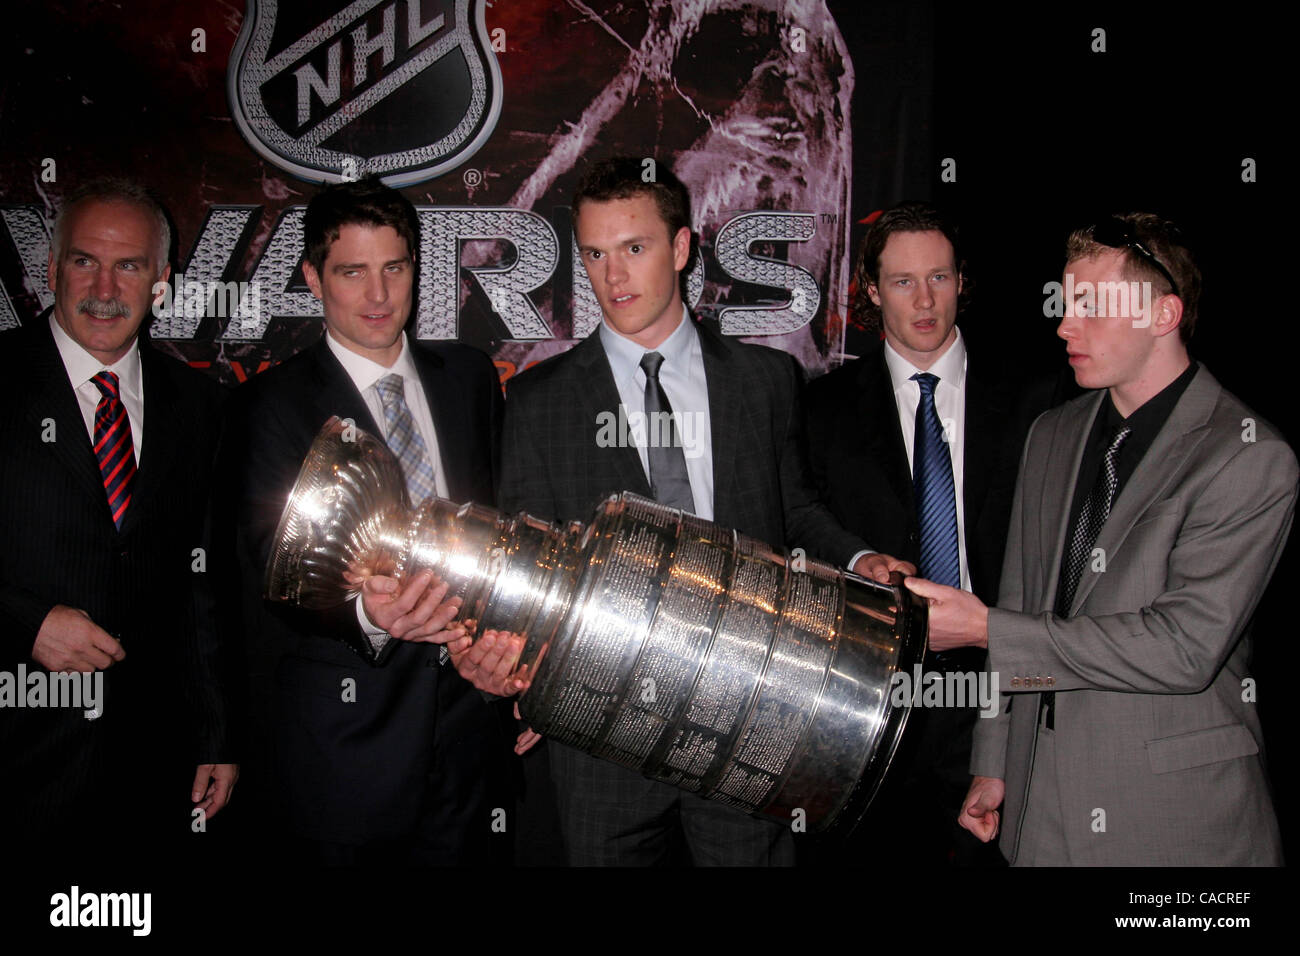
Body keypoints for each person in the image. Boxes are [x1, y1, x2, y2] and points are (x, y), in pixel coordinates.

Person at [493, 156, 912, 866]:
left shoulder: (764, 381)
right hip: (600, 735)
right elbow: (525, 561)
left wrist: (856, 559)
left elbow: (796, 512)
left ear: (682, 248)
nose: (613, 276)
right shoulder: (540, 402)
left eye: (635, 248)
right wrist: (526, 665)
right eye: (595, 254)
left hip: (748, 719)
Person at [907, 213, 1295, 865]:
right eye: (1064, 303)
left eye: (1090, 306)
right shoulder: (1054, 432)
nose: (1063, 325)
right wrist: (995, 759)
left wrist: (984, 631)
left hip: (1172, 813)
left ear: (1162, 314)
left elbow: (1184, 647)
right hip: (1038, 809)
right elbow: (1024, 596)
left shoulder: (1246, 454)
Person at [219, 176, 519, 865]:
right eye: (353, 272)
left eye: (395, 268)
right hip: (348, 743)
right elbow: (270, 567)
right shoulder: (270, 404)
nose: (379, 296)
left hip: (474, 732)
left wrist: (521, 666)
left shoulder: (469, 377)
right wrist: (367, 614)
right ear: (314, 277)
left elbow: (503, 527)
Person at [0, 179, 236, 855]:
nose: (105, 287)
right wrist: (28, 624)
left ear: (161, 281)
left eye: (129, 265)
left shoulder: (199, 406)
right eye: (84, 261)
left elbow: (205, 585)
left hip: (151, 773)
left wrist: (217, 734)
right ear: (51, 270)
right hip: (15, 759)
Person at [805, 201, 1036, 865]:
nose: (925, 299)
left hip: (999, 689)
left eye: (939, 277)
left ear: (963, 280)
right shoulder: (821, 407)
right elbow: (798, 526)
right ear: (874, 293)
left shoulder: (1036, 397)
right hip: (871, 703)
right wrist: (858, 562)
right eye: (903, 282)